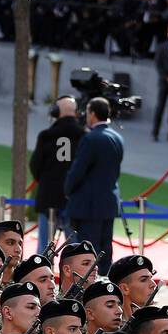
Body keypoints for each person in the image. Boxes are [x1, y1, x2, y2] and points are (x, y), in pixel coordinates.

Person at [64, 97, 122, 275]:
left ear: (93, 114)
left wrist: (68, 189)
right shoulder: (117, 138)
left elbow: (78, 170)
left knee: (88, 249)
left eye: (88, 112)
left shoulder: (91, 139)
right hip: (109, 201)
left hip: (89, 204)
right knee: (106, 247)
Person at [29, 95, 83, 252]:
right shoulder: (84, 136)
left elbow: (35, 165)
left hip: (49, 197)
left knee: (44, 247)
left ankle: (40, 273)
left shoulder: (46, 135)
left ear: (56, 111)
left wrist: (45, 181)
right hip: (73, 198)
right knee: (75, 247)